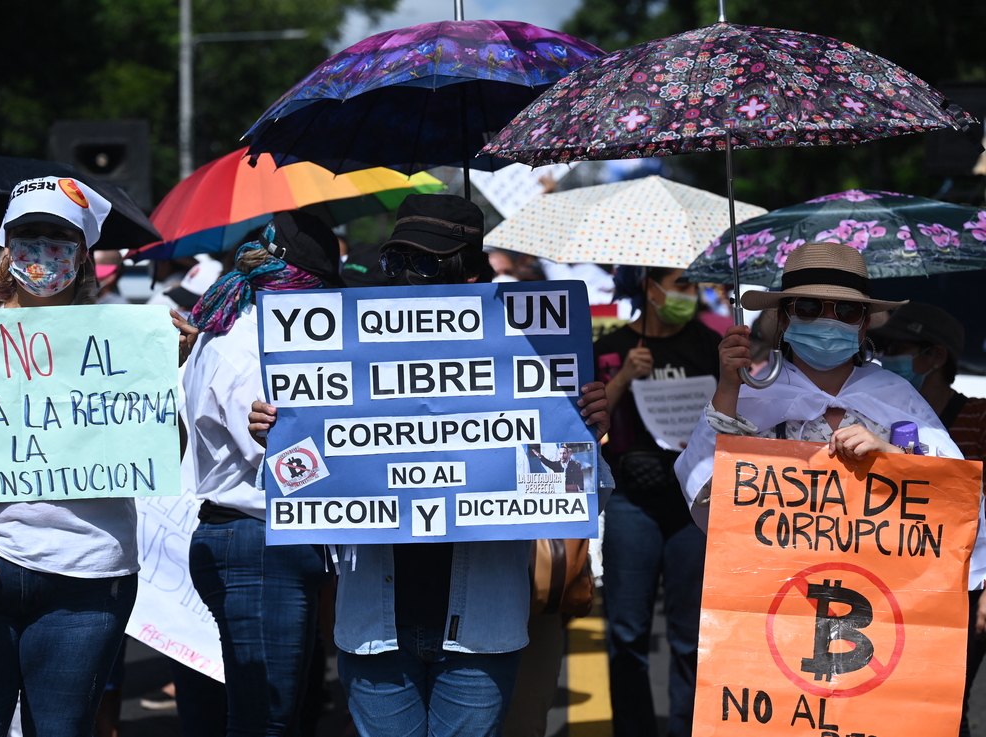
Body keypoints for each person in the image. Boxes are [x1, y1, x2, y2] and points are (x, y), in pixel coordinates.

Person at [249, 194, 611, 737]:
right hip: (375, 627)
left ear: (471, 279)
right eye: (396, 262)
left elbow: (566, 495)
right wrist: (276, 439)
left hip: (480, 630)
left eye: (426, 263)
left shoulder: (527, 355)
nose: (407, 278)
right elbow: (302, 493)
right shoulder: (349, 347)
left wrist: (579, 431)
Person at [0, 176, 141, 737]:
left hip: (86, 575)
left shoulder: (125, 341)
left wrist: (162, 377)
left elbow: (167, 452)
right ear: (6, 246)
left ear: (84, 252)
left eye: (59, 236)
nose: (43, 250)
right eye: (28, 234)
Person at [675, 241, 986, 587]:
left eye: (846, 311)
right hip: (775, 594)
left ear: (864, 325)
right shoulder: (749, 397)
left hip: (883, 595)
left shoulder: (897, 398)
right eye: (809, 307)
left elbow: (956, 501)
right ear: (784, 318)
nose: (827, 320)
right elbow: (706, 492)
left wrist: (893, 458)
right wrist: (729, 387)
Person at [181, 210, 343, 736]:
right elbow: (281, 462)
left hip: (258, 541)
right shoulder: (251, 345)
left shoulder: (235, 328)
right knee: (264, 718)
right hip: (257, 540)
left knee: (273, 712)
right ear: (301, 284)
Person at [594, 265, 720, 737]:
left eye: (696, 285)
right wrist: (625, 374)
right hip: (632, 505)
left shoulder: (710, 345)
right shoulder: (610, 348)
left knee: (691, 636)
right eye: (682, 285)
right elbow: (585, 423)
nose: (692, 294)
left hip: (695, 506)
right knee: (626, 634)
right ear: (649, 287)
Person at [868, 302, 986, 737]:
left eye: (895, 347)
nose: (883, 358)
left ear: (935, 357)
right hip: (892, 582)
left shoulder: (979, 419)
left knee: (944, 703)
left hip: (960, 585)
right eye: (877, 346)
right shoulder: (874, 415)